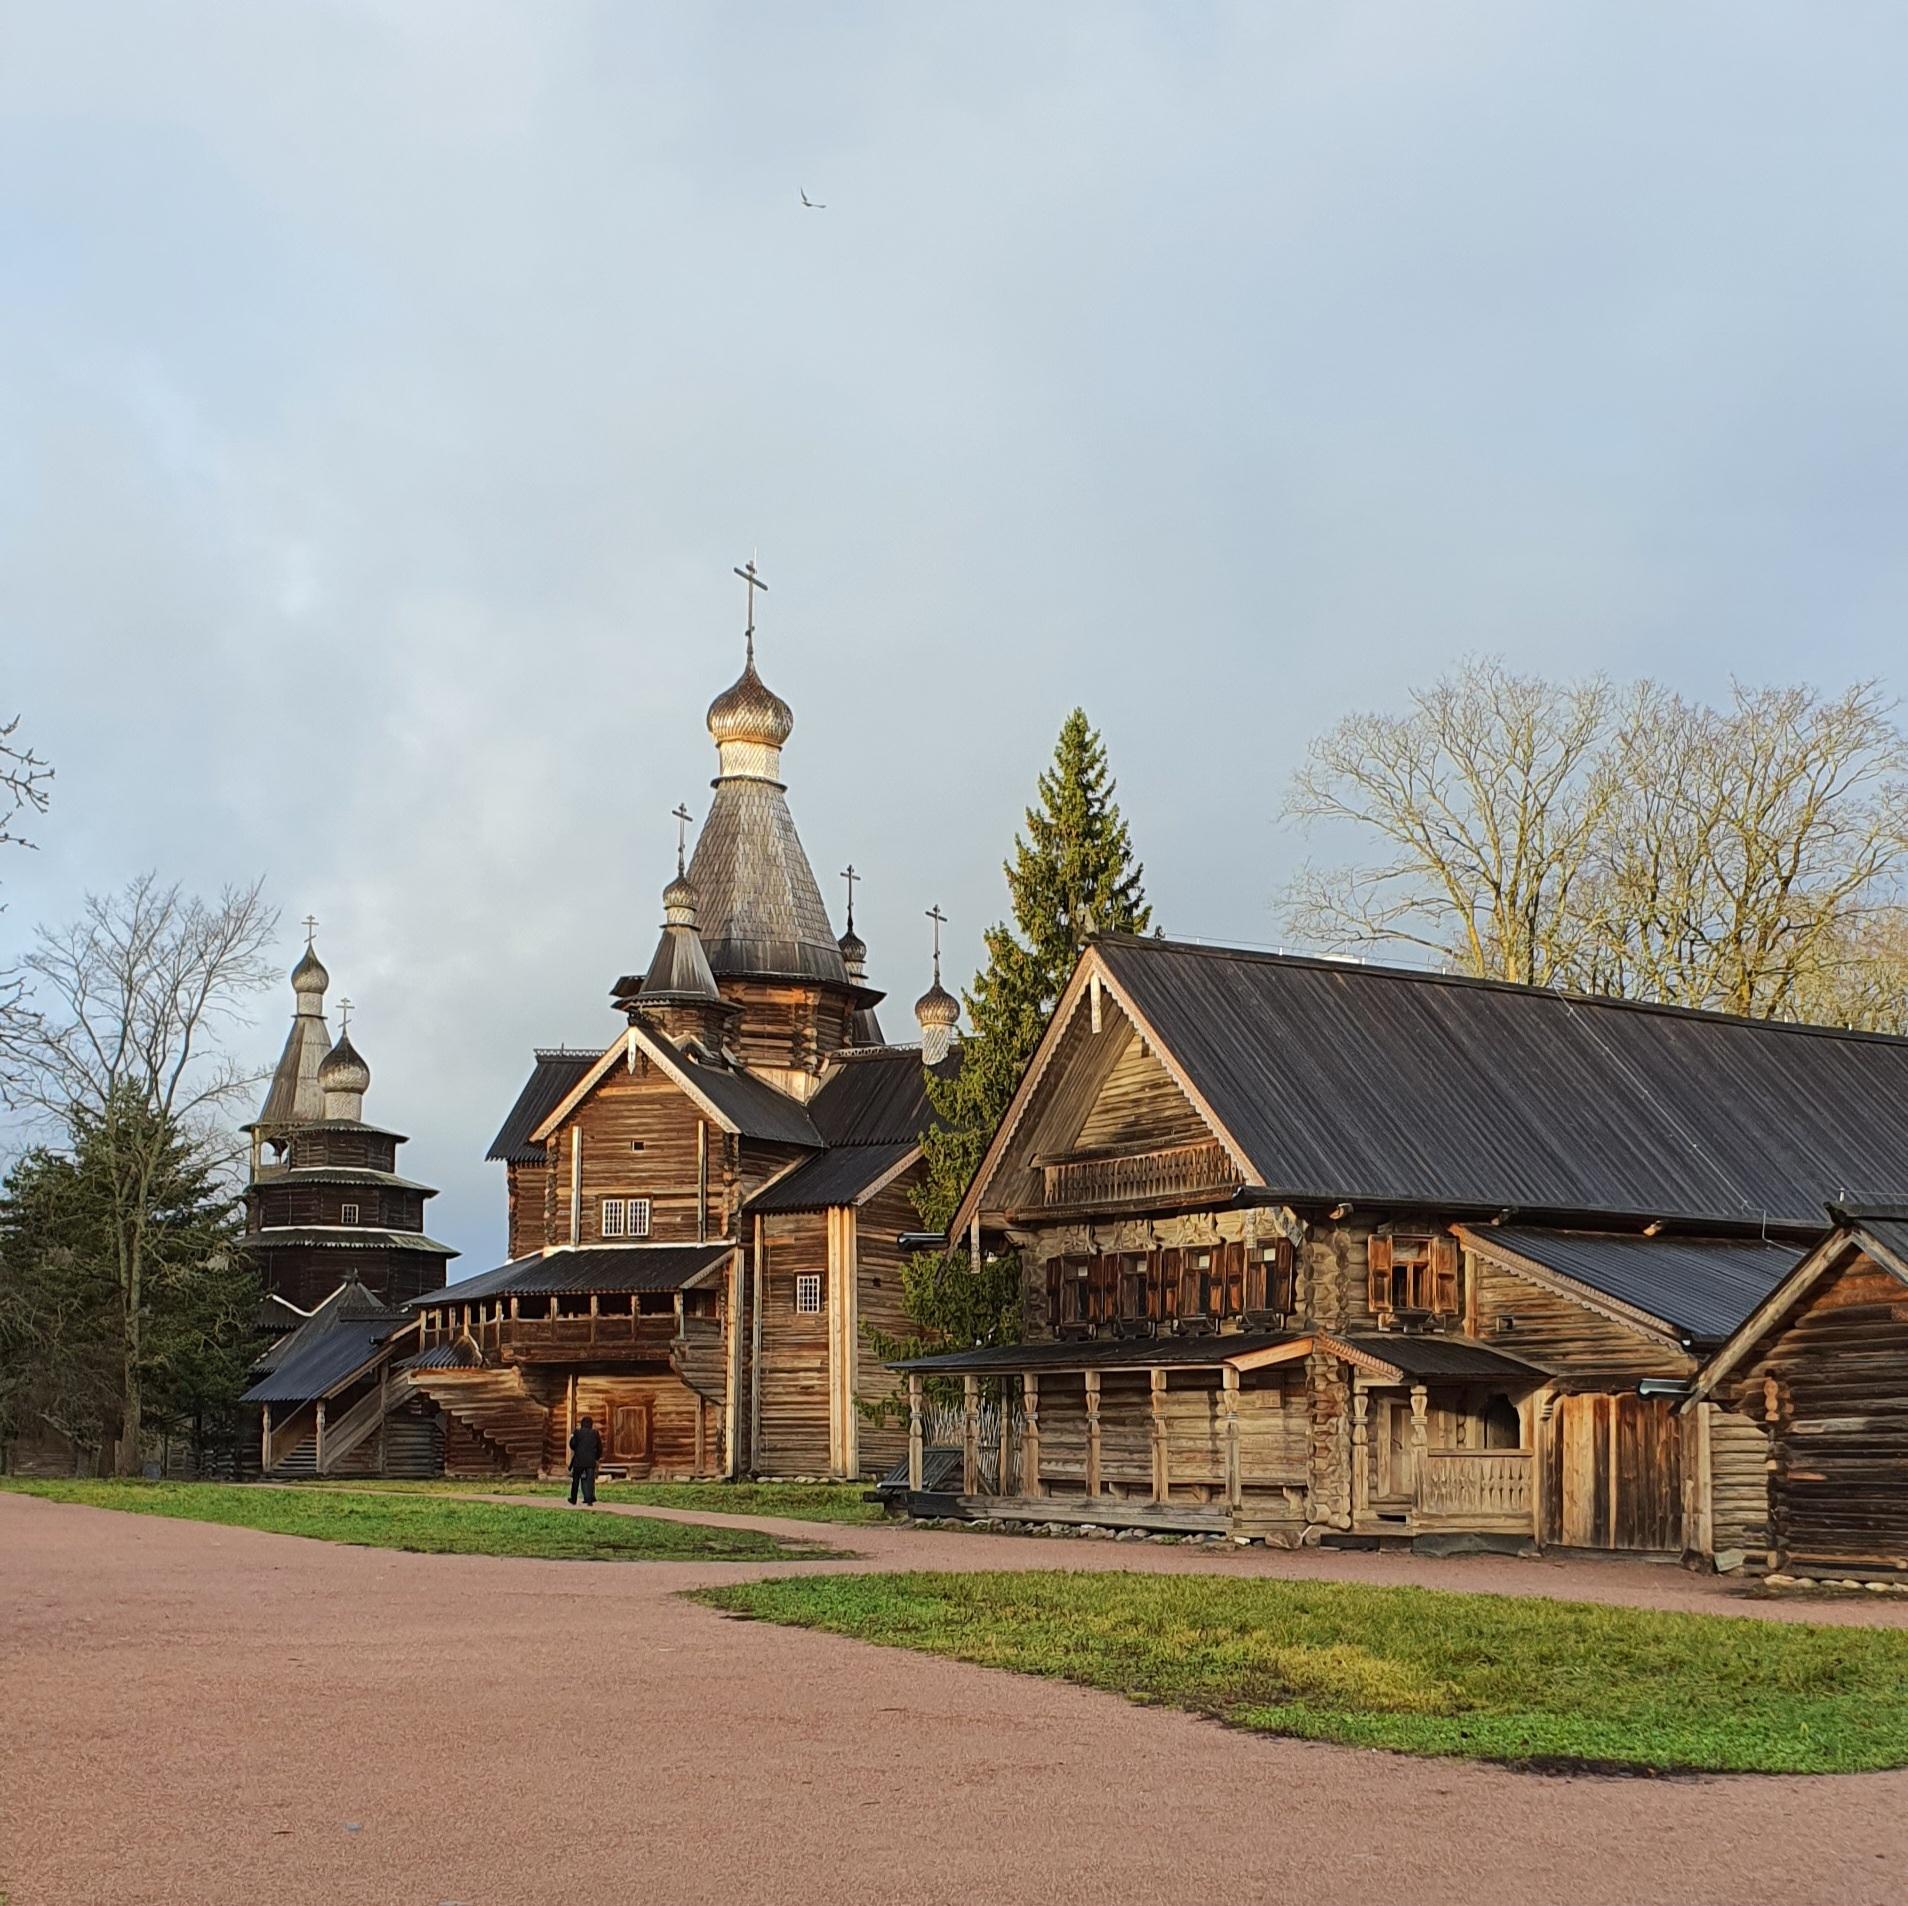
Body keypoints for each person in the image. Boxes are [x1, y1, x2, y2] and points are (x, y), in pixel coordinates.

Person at [568, 1412, 603, 1506]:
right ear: (591, 1424)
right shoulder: (595, 1433)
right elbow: (599, 1447)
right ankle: (590, 1499)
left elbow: (573, 1445)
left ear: (582, 1423)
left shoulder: (577, 1432)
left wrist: (572, 1438)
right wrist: (596, 1457)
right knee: (590, 1480)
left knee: (576, 1480)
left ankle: (573, 1499)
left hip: (578, 1461)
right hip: (590, 1461)